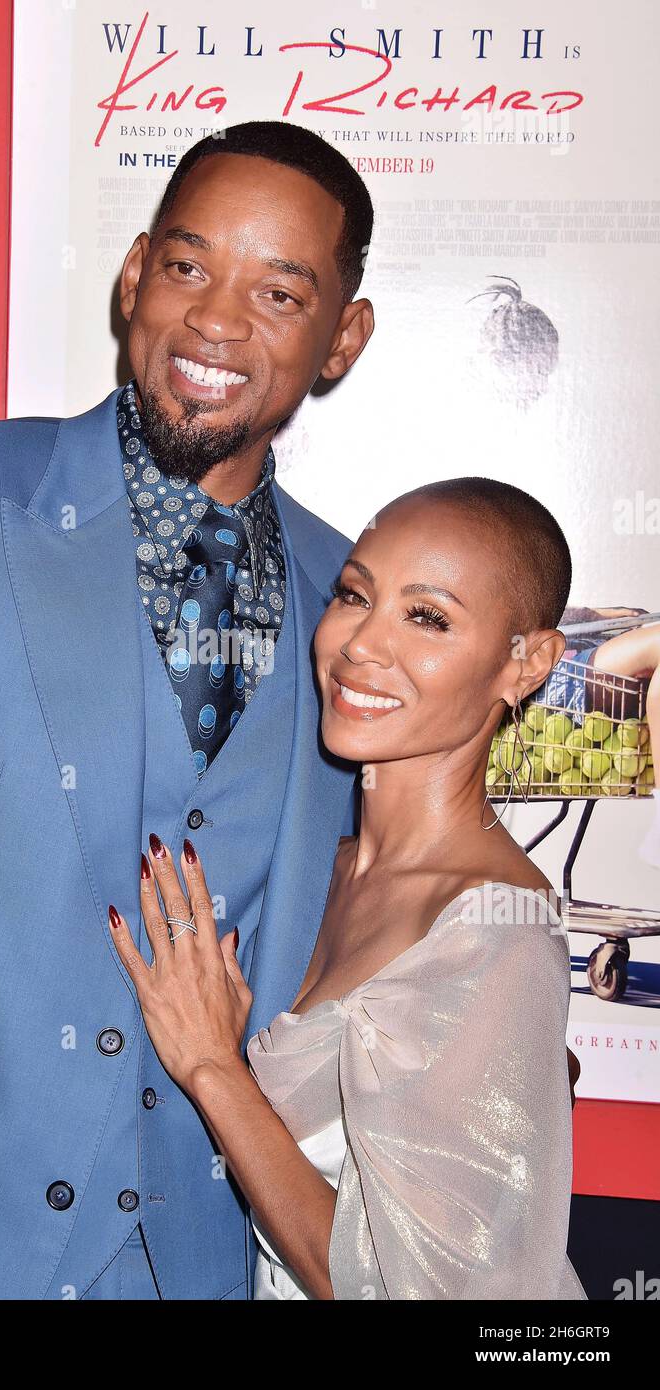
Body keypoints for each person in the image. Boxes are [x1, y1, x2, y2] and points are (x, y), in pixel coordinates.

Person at [0, 121, 375, 1299]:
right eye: (188, 265)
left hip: (186, 1262)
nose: (216, 321)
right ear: (134, 272)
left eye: (278, 293)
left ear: (343, 338)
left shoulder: (355, 608)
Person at [108, 478, 588, 1300]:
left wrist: (212, 1066)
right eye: (354, 596)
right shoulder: (313, 866)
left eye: (427, 617)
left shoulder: (494, 932)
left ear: (527, 663)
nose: (361, 644)